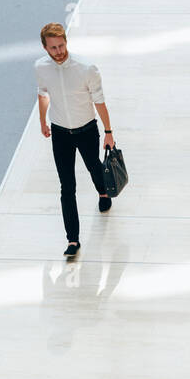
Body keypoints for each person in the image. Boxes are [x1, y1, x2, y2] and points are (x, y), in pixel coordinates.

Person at [35, 23, 117, 258]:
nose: (59, 51)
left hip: (86, 130)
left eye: (61, 45)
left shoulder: (86, 68)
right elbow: (42, 94)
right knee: (67, 186)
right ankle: (73, 240)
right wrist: (43, 121)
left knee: (94, 167)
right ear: (45, 47)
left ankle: (103, 192)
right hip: (60, 133)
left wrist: (108, 132)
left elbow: (99, 101)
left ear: (66, 43)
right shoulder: (41, 67)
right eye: (53, 48)